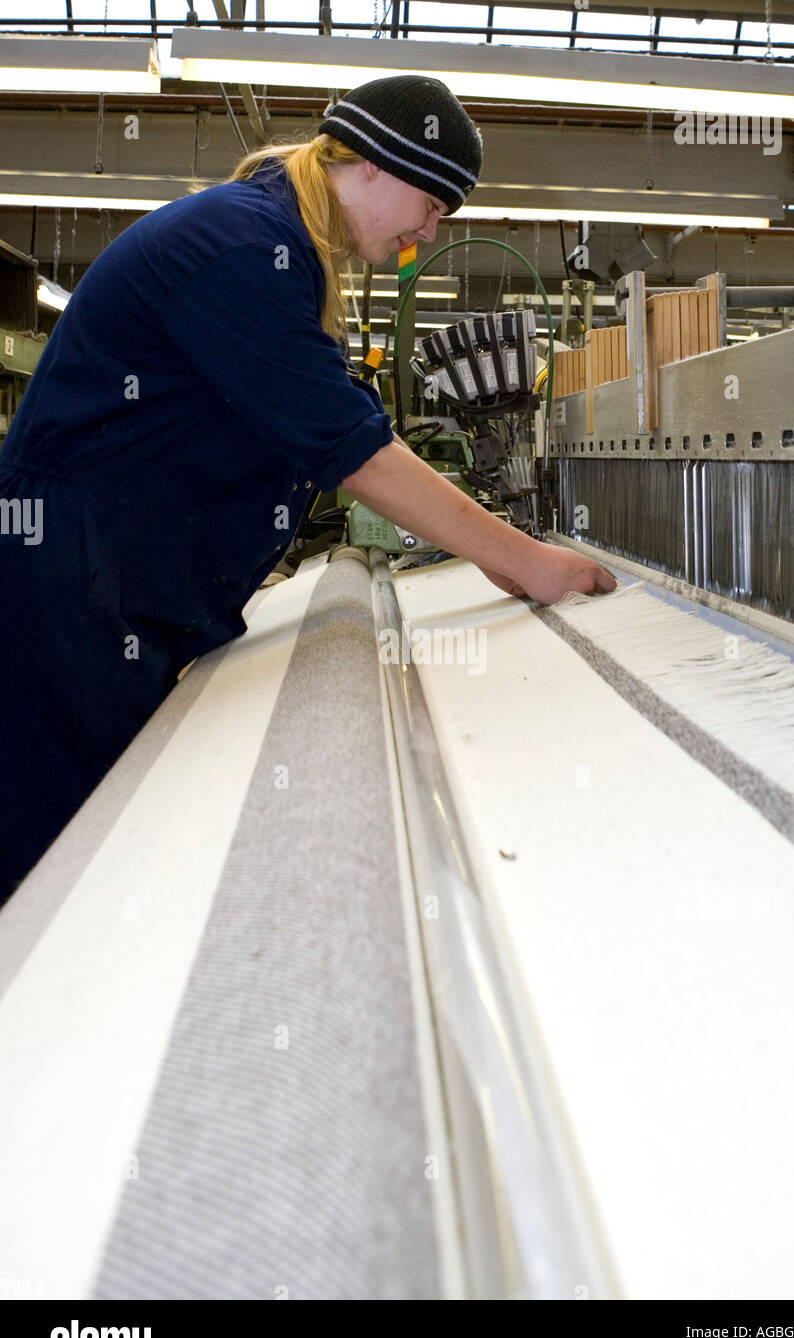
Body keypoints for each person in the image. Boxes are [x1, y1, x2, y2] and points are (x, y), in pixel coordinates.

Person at [0, 74, 614, 909]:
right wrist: (526, 563)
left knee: (89, 846)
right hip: (64, 590)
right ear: (374, 166)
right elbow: (350, 449)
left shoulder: (279, 243)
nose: (429, 231)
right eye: (433, 204)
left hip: (105, 585)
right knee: (51, 870)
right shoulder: (244, 244)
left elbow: (349, 413)